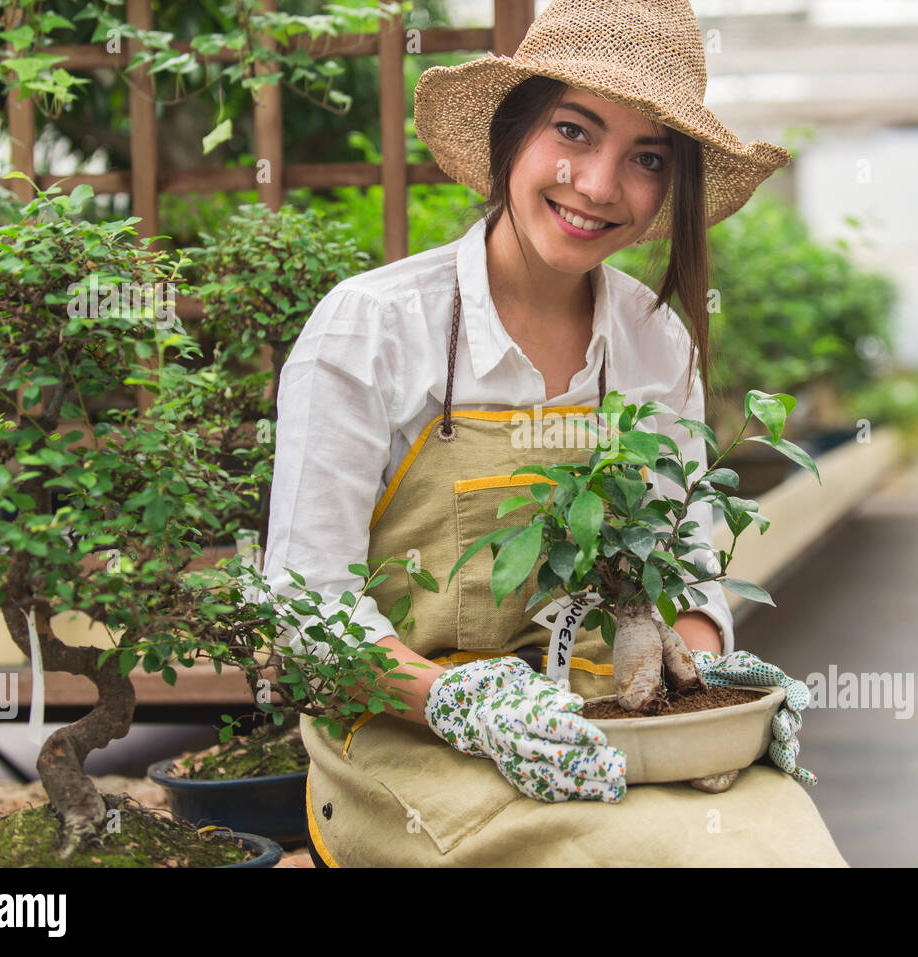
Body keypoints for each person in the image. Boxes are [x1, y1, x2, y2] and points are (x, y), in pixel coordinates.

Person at [263, 0, 850, 866]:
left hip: (611, 726)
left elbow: (687, 574)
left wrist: (702, 689)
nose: (601, 185)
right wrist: (469, 705)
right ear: (510, 133)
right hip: (410, 739)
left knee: (782, 844)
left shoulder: (656, 342)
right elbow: (304, 612)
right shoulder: (375, 329)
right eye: (573, 130)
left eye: (647, 158)